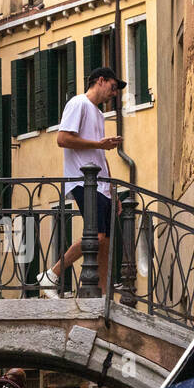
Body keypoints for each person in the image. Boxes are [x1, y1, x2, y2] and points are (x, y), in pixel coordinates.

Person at [38, 67, 125, 297]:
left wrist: (113, 190)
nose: (114, 93)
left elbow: (101, 155)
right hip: (82, 181)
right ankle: (51, 275)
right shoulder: (78, 104)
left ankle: (104, 297)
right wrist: (99, 144)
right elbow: (62, 139)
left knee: (105, 243)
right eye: (113, 87)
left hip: (101, 185)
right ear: (100, 80)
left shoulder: (97, 113)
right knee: (95, 237)